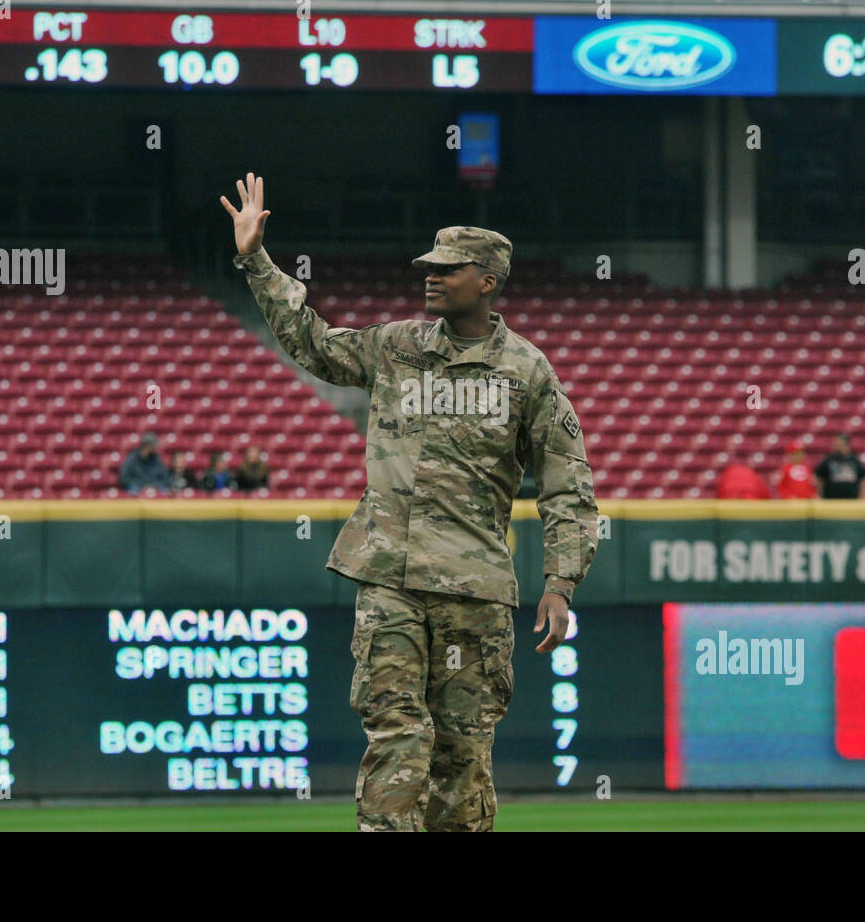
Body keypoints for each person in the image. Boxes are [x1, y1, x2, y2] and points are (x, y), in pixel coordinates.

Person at [221, 174, 598, 832]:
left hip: (473, 590)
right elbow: (313, 342)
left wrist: (561, 582)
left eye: (447, 269)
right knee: (396, 728)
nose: (429, 277)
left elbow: (569, 485)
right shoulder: (397, 346)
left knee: (460, 752)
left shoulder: (526, 371)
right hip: (388, 577)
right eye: (428, 266)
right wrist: (256, 259)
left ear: (487, 280)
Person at [814, 433, 865, 499]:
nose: (837, 447)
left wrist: (863, 496)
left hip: (851, 501)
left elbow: (863, 479)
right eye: (836, 445)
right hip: (831, 501)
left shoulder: (855, 461)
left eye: (840, 445)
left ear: (847, 445)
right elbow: (819, 479)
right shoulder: (828, 461)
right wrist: (820, 495)